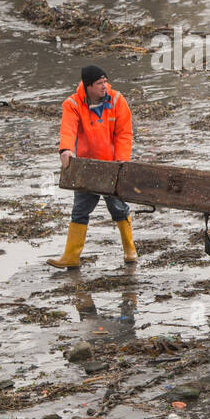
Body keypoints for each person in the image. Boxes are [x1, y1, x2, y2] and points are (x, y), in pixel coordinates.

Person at [47, 64, 136, 269]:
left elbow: (124, 133)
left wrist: (122, 160)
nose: (104, 86)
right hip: (87, 167)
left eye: (105, 82)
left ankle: (130, 250)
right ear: (88, 86)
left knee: (119, 209)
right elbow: (68, 128)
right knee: (79, 211)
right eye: (99, 83)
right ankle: (71, 256)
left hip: (113, 166)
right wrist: (65, 150)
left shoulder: (117, 100)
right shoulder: (72, 104)